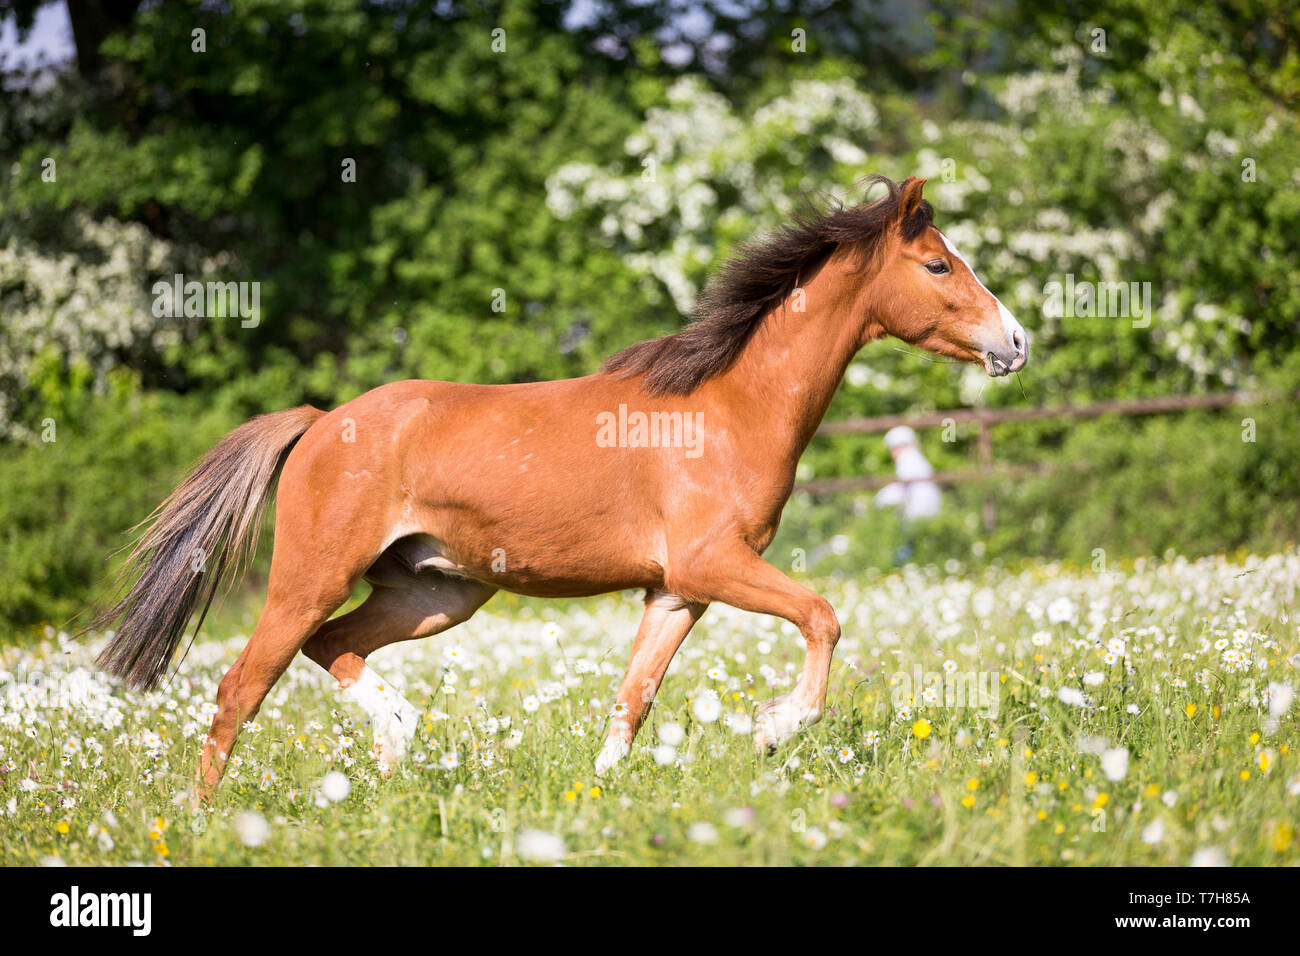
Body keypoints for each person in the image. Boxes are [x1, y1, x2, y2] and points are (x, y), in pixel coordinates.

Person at [874, 425, 941, 520]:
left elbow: (900, 487)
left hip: (919, 512)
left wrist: (878, 500)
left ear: (897, 446)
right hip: (929, 510)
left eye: (891, 448)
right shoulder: (916, 458)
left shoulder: (907, 458)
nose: (891, 453)